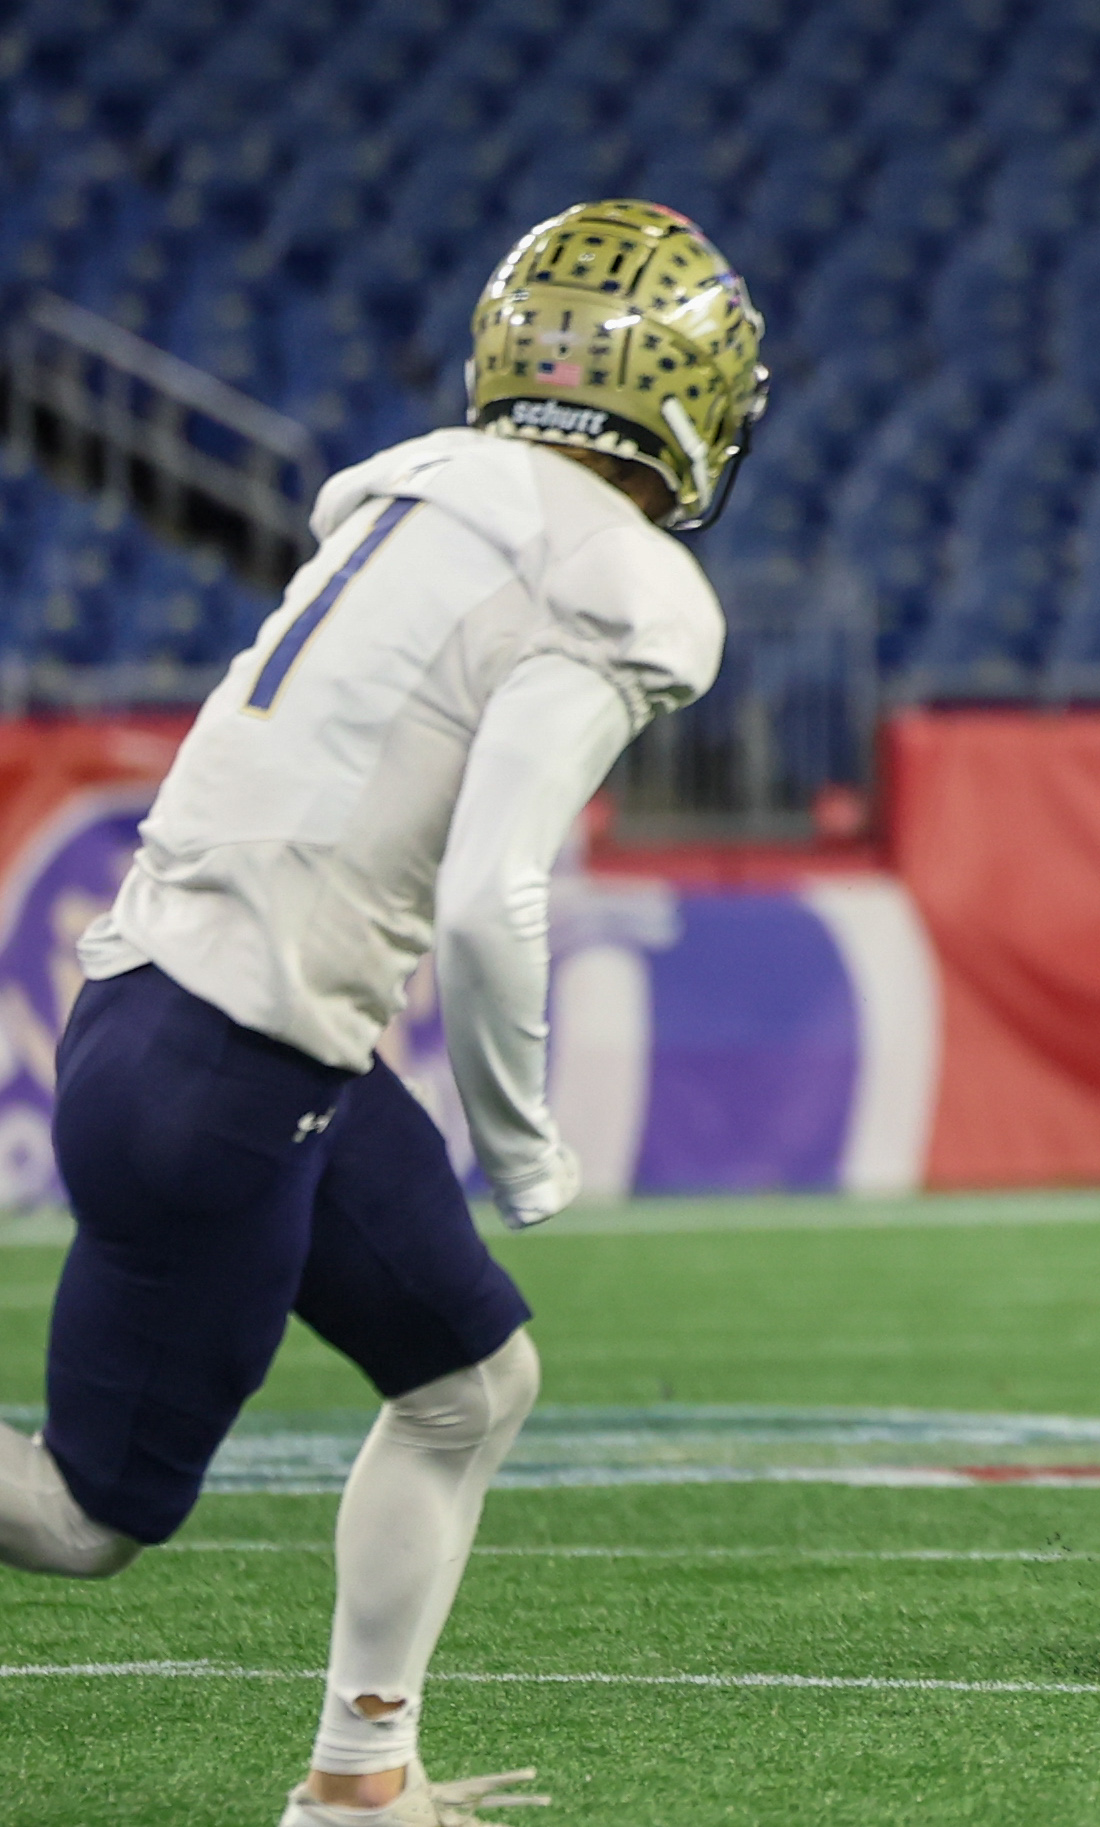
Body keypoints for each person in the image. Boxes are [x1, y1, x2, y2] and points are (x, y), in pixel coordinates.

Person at [0, 199, 766, 1823]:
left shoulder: (417, 490)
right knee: (84, 1517)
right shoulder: (624, 576)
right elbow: (496, 894)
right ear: (696, 398)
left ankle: (359, 1783)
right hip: (227, 1066)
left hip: (209, 1029)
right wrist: (527, 1142)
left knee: (469, 1383)